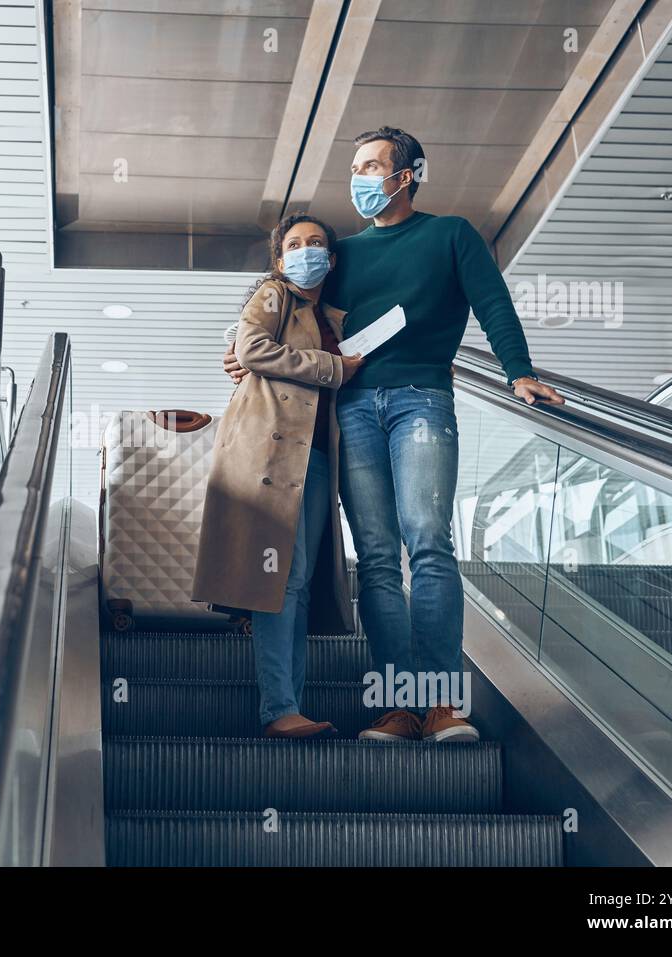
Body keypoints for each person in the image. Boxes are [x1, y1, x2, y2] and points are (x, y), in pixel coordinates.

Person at [224, 127, 564, 743]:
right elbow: (295, 310)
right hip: (349, 408)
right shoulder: (343, 254)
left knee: (429, 542)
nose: (359, 178)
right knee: (377, 560)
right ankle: (398, 709)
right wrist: (243, 353)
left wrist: (519, 372)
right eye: (354, 167)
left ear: (407, 175)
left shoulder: (450, 234)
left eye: (372, 166)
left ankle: (440, 705)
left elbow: (493, 303)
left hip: (421, 401)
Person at [193, 213, 363, 738]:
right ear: (279, 259)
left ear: (332, 260)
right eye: (294, 244)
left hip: (312, 459)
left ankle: (292, 707)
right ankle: (278, 708)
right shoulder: (274, 294)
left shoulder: (334, 317)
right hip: (269, 456)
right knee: (280, 580)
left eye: (316, 244)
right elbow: (251, 349)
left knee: (302, 581)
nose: (306, 251)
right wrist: (332, 368)